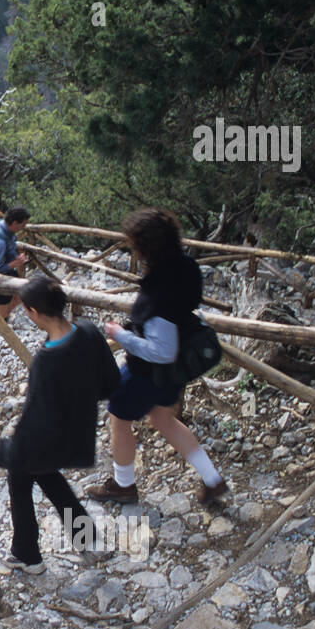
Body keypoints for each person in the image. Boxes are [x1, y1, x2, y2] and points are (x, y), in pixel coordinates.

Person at [86, 207, 230, 506]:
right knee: (163, 418)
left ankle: (123, 485)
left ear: (144, 245)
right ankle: (212, 480)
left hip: (150, 371)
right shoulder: (186, 266)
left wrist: (120, 334)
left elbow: (159, 351)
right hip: (176, 368)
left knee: (118, 416)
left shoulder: (158, 292)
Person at [0, 277, 121, 573]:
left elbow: (36, 418)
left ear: (34, 312)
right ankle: (87, 541)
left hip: (49, 438)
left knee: (20, 474)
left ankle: (27, 554)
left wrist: (5, 450)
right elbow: (111, 382)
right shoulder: (88, 332)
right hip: (79, 431)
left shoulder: (46, 362)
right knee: (46, 477)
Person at [0, 206, 31, 320]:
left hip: (8, 271)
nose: (23, 228)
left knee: (21, 294)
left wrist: (15, 258)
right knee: (3, 309)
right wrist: (16, 262)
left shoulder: (3, 226)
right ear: (15, 223)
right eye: (22, 225)